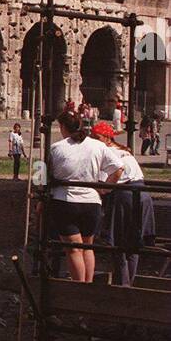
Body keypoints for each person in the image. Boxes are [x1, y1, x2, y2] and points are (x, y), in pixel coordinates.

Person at [49, 108, 121, 283]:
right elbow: (118, 169)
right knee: (88, 246)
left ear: (63, 127)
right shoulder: (98, 146)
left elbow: (40, 175)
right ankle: (88, 287)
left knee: (73, 249)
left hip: (66, 201)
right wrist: (105, 188)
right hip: (92, 202)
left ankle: (78, 288)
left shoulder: (56, 148)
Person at [92, 120, 155, 287]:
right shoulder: (124, 151)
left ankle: (122, 285)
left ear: (106, 138)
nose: (93, 140)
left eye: (96, 137)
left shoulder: (106, 152)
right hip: (142, 194)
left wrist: (101, 191)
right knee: (133, 243)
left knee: (118, 243)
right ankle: (129, 283)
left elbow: (107, 180)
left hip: (125, 195)